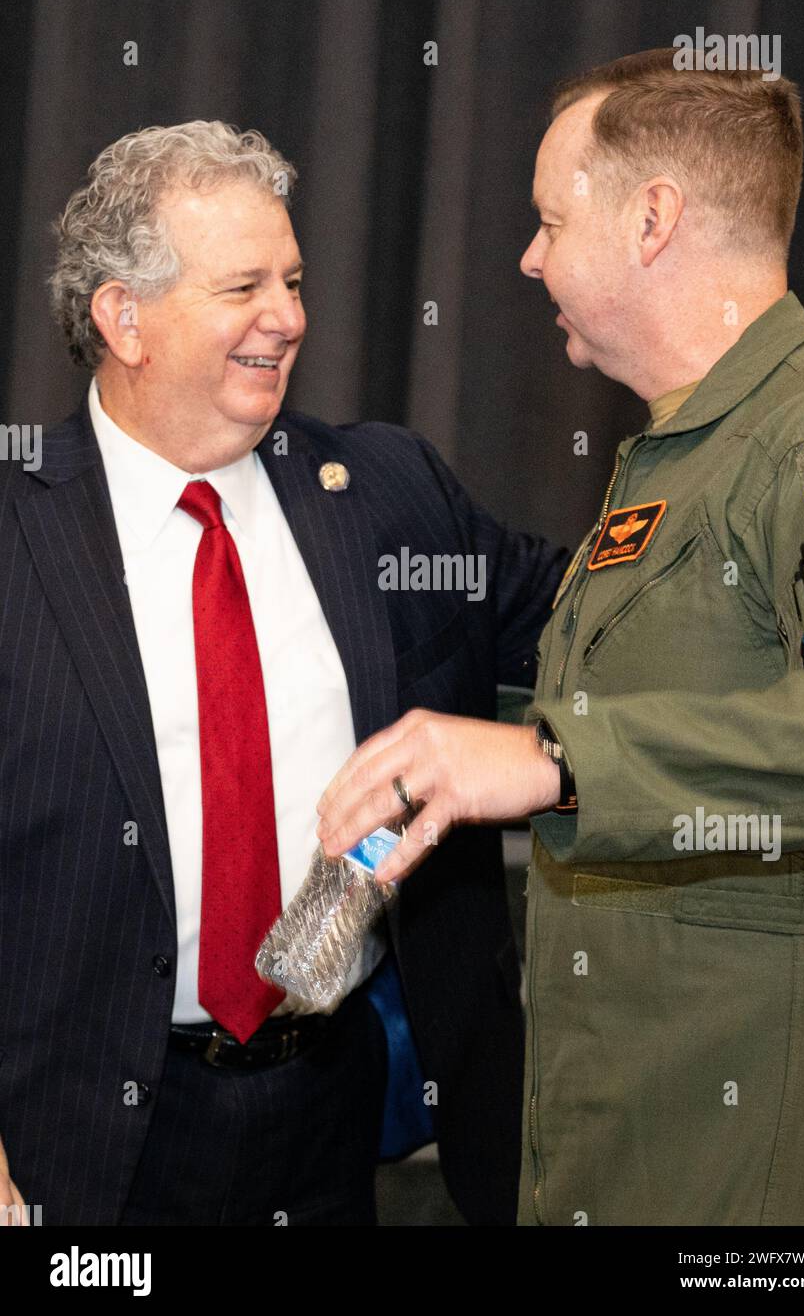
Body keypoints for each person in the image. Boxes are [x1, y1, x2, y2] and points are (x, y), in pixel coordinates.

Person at [315, 48, 804, 1226]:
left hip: (747, 1181)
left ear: (653, 219)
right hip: (621, 1141)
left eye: (549, 219)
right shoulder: (669, 465)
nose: (527, 256)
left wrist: (550, 758)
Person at [0, 120, 569, 1226]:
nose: (290, 316)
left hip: (329, 1115)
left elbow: (590, 626)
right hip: (71, 1146)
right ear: (125, 319)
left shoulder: (387, 489)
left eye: (296, 280)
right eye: (244, 286)